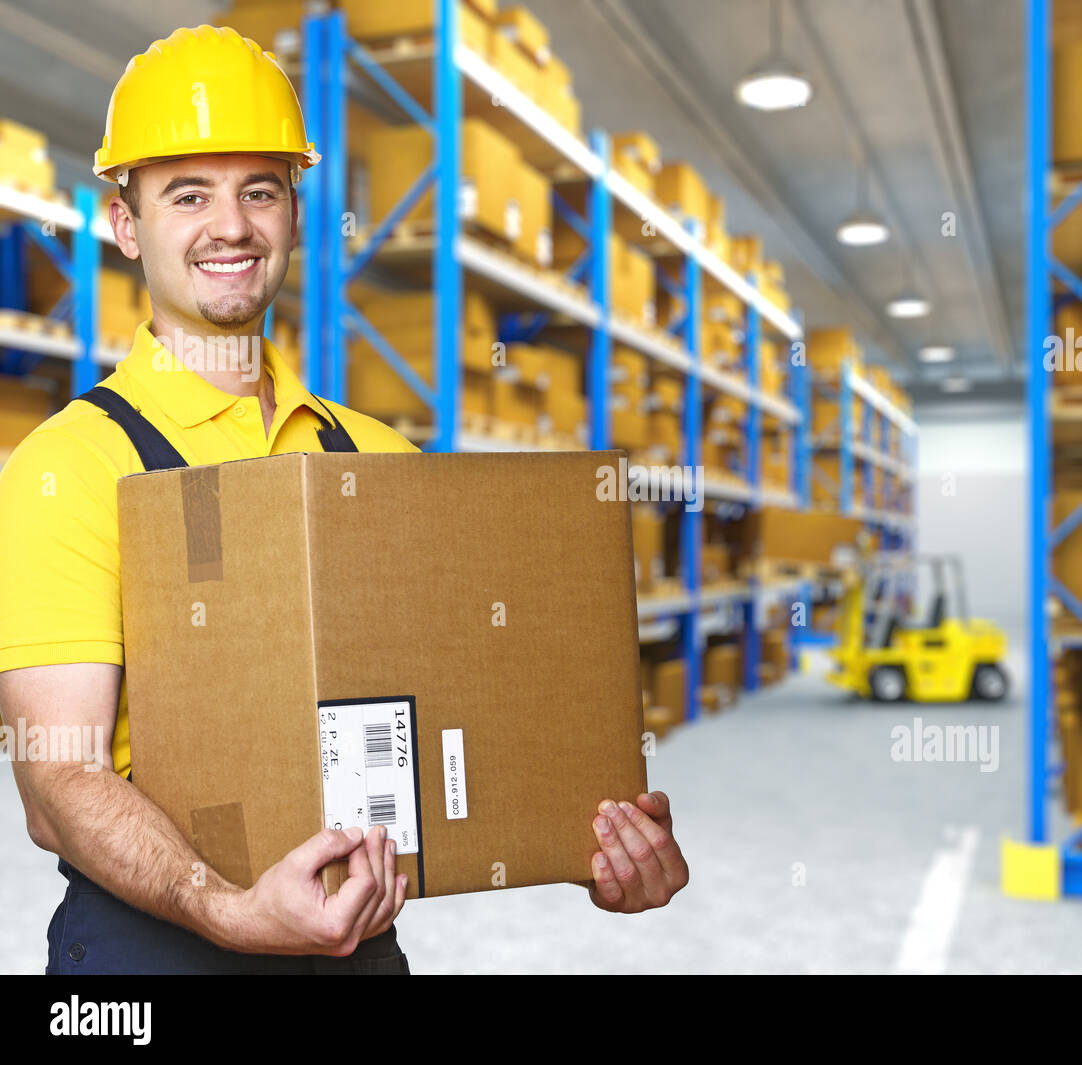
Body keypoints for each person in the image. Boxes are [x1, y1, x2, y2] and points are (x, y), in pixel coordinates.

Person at [0, 25, 686, 976]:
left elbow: (470, 713)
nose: (231, 226)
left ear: (293, 211)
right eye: (187, 195)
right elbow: (55, 784)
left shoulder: (374, 456)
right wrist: (230, 909)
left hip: (354, 948)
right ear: (124, 224)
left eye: (260, 190)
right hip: (149, 956)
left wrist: (589, 840)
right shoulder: (69, 467)